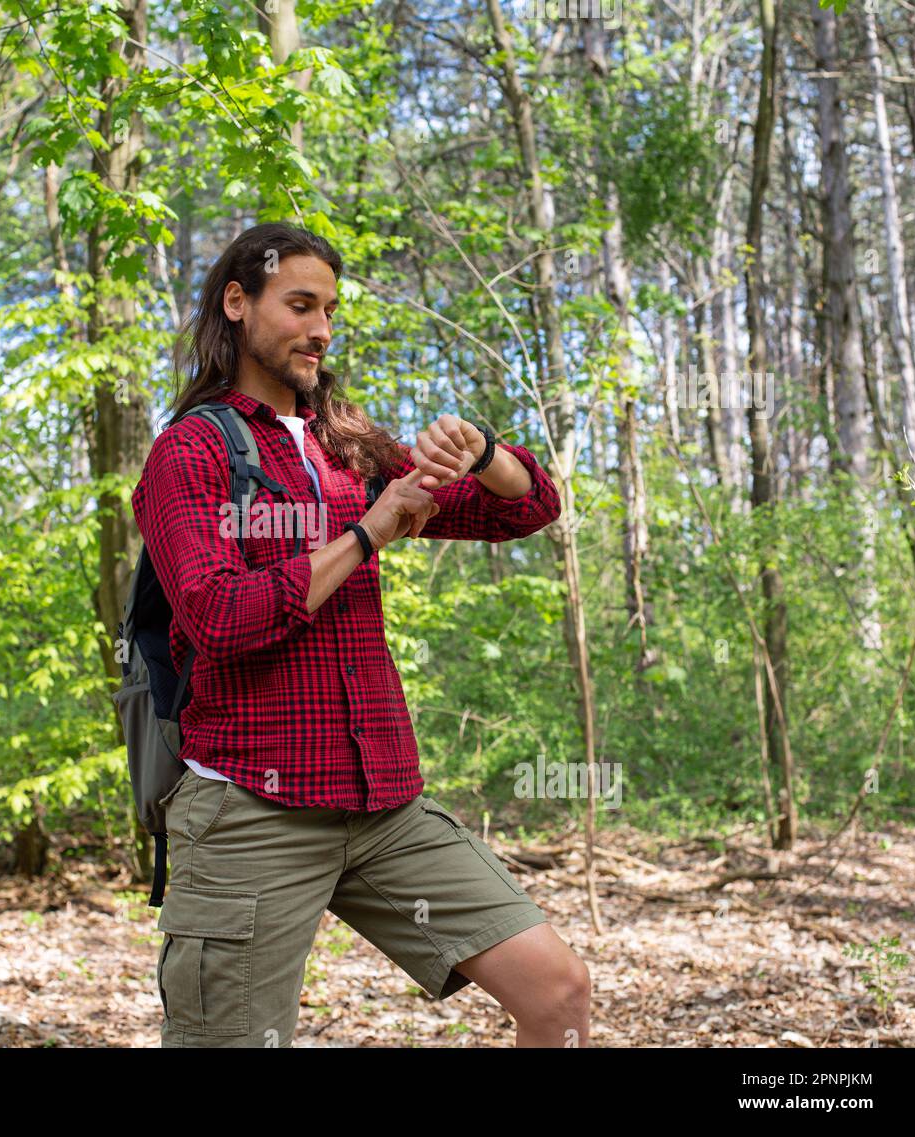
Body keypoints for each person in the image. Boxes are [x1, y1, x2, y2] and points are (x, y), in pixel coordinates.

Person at [130, 222, 590, 1048]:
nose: (320, 329)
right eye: (299, 305)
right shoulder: (190, 451)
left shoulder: (350, 446)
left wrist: (482, 450)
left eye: (330, 311)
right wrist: (368, 533)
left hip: (381, 803)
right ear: (237, 303)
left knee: (556, 991)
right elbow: (219, 617)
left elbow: (528, 507)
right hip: (249, 806)